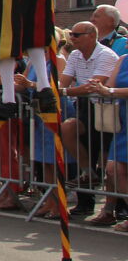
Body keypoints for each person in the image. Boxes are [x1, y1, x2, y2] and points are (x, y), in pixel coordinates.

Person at [59, 20, 120, 214]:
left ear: (92, 36)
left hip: (107, 109)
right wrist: (67, 89)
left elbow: (93, 85)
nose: (72, 38)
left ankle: (115, 207)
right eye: (71, 35)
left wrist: (67, 91)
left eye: (77, 35)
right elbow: (64, 82)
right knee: (69, 130)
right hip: (85, 106)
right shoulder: (76, 55)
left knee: (105, 156)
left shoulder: (106, 55)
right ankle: (87, 178)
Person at [86, 52, 128, 230]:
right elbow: (109, 86)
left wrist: (110, 91)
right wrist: (98, 86)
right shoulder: (123, 59)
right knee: (113, 169)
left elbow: (111, 90)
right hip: (123, 123)